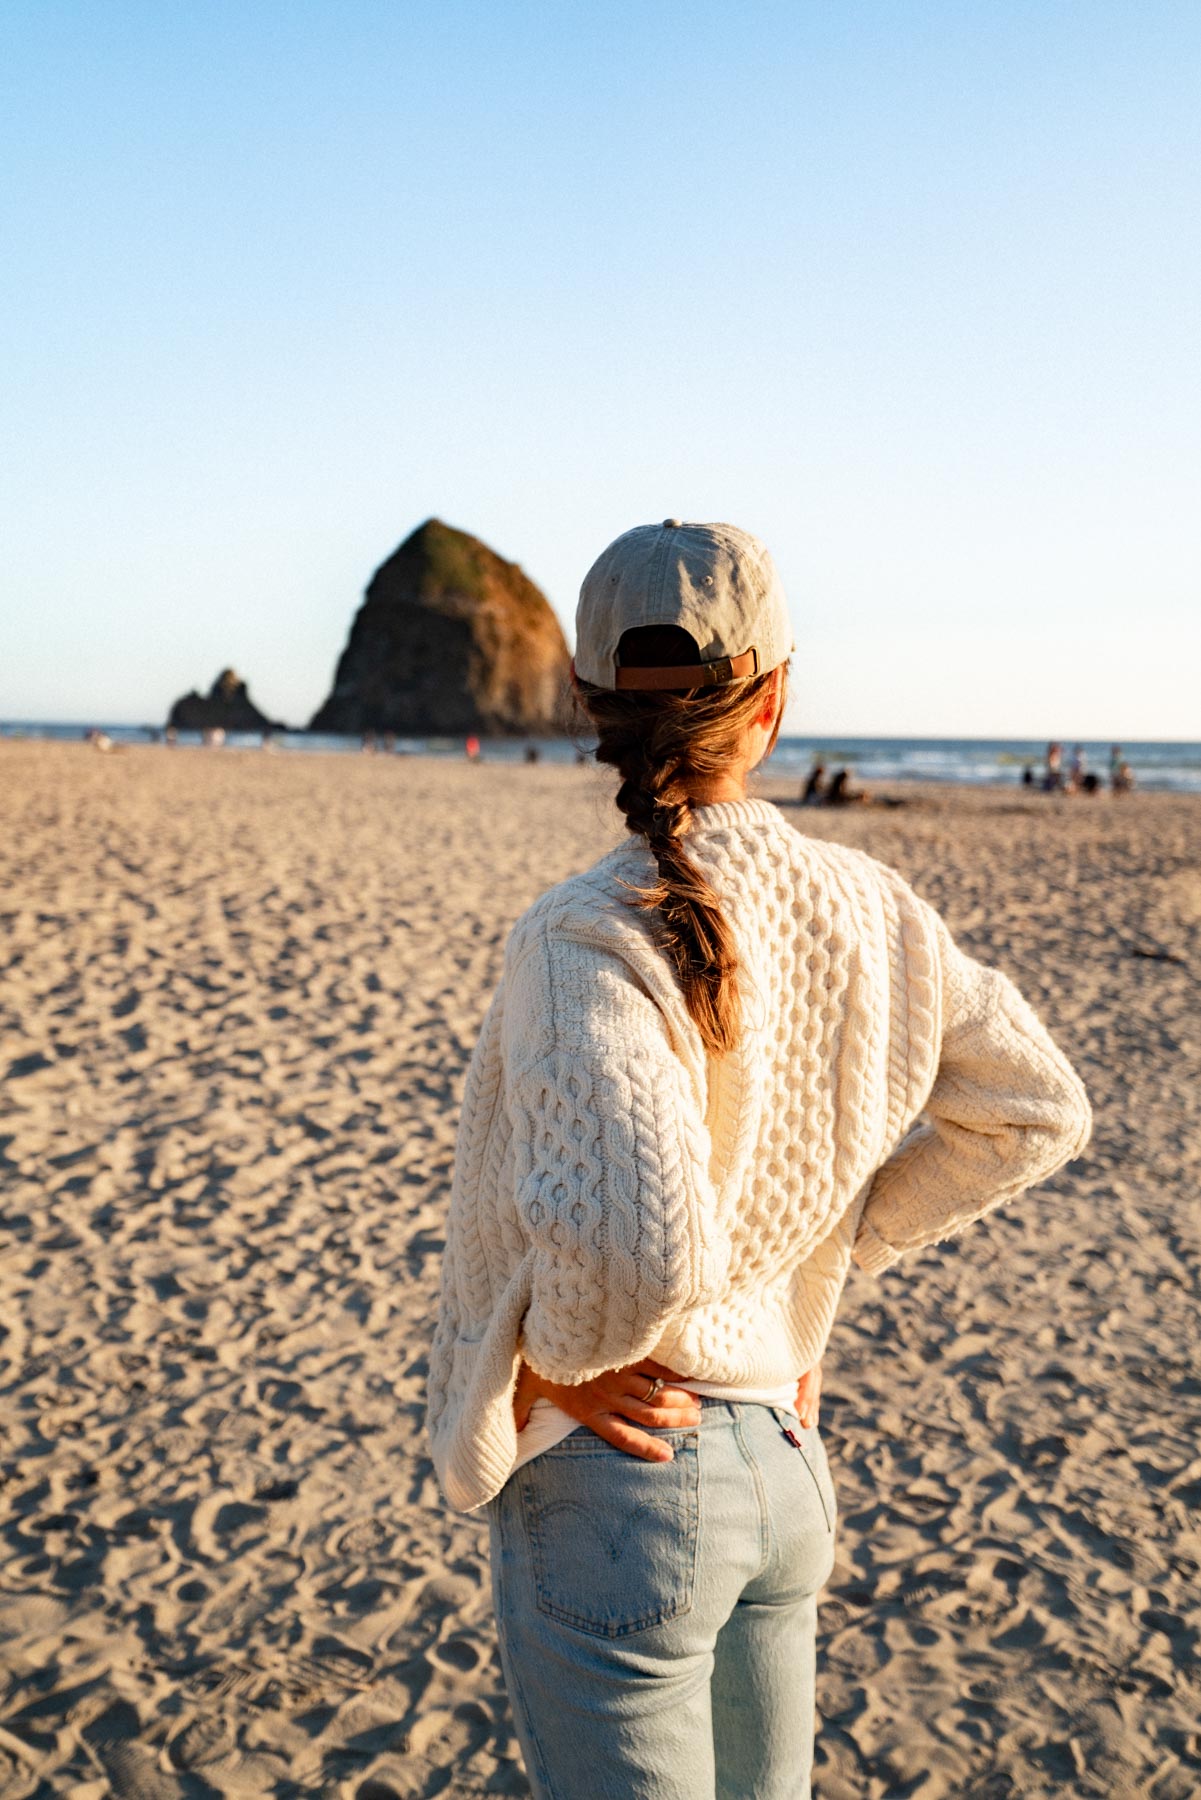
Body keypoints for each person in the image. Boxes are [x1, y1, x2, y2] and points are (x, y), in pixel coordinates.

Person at [426, 518, 1092, 1800]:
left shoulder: (582, 930)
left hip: (622, 1485)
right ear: (775, 697)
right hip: (786, 1473)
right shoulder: (881, 911)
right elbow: (1035, 1110)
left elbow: (639, 1241)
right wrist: (837, 1245)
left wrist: (558, 1366)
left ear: (585, 704)